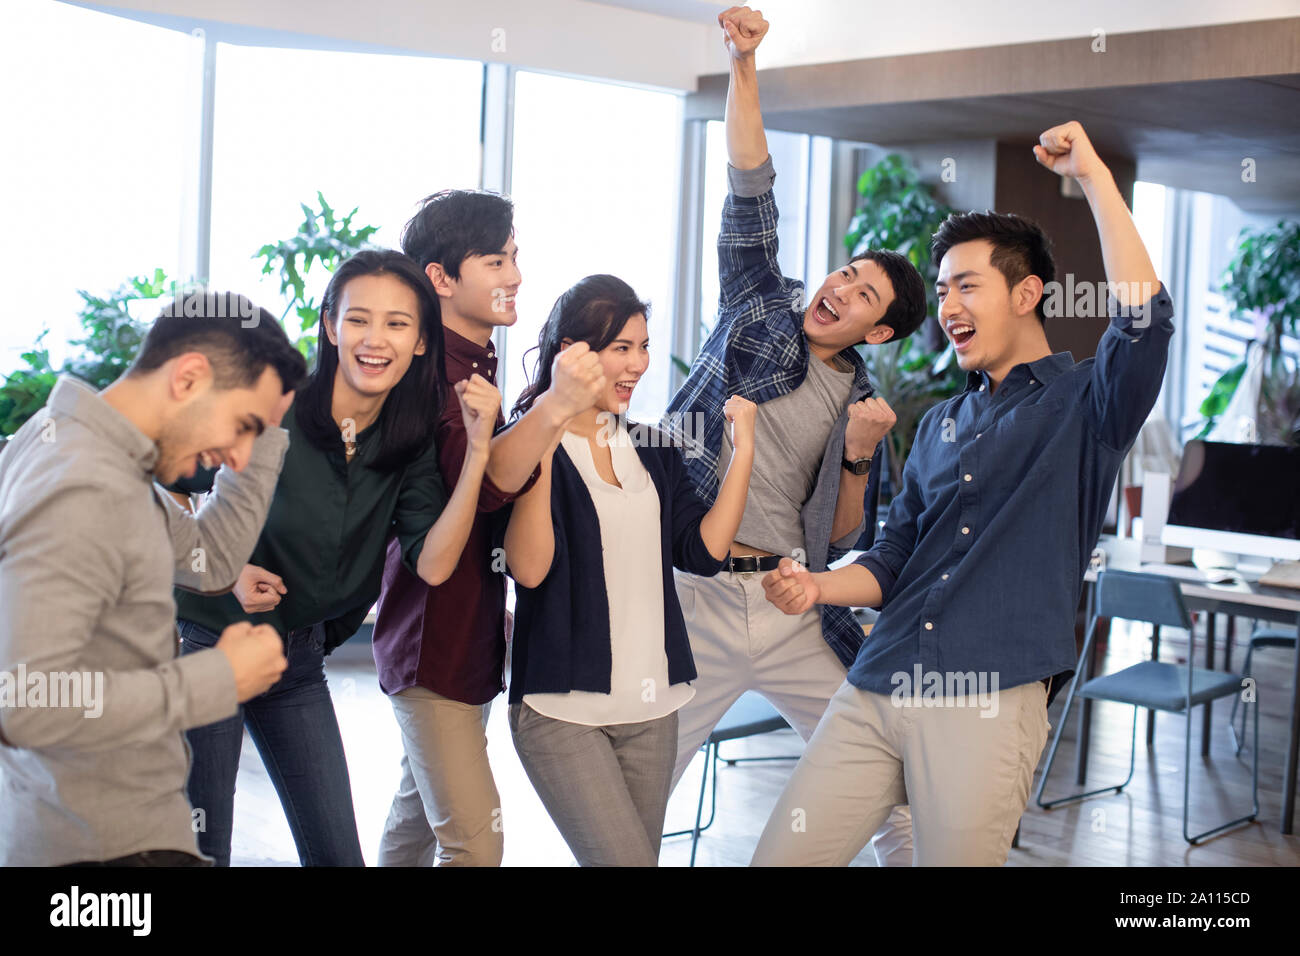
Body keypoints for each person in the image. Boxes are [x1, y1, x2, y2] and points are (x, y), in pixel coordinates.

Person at [756, 120, 1174, 866]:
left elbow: (1144, 320)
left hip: (988, 699)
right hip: (876, 682)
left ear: (1027, 293)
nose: (948, 306)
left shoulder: (1088, 404)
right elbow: (893, 557)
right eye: (942, 289)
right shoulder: (946, 420)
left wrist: (1094, 179)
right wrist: (817, 586)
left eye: (967, 286)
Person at [662, 5, 923, 863]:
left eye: (864, 297)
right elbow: (750, 184)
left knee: (888, 781)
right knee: (641, 775)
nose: (841, 290)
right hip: (694, 590)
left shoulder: (866, 407)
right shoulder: (762, 306)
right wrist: (744, 65)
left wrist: (857, 454)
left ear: (878, 334)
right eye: (846, 274)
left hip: (787, 605)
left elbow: (848, 538)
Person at [173, 249, 500, 866]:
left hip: (295, 659)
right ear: (330, 326)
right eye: (359, 320)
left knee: (337, 858)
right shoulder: (267, 404)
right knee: (203, 850)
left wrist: (479, 453)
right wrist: (220, 568)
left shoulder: (409, 440)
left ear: (423, 341)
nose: (376, 340)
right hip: (207, 644)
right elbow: (144, 490)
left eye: (398, 324)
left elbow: (432, 563)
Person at [0, 290, 306, 866]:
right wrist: (215, 678)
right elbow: (25, 702)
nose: (240, 457)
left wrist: (264, 429)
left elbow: (209, 561)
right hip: (103, 856)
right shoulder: (83, 483)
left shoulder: (99, 459)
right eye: (243, 425)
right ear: (189, 377)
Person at [373, 190, 606, 867]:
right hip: (431, 644)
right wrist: (558, 404)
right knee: (475, 844)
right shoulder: (429, 372)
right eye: (495, 260)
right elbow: (485, 485)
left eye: (514, 258)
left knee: (415, 822)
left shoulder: (475, 363)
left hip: (465, 639)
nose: (515, 276)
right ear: (440, 279)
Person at [502, 275, 756, 866]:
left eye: (643, 347)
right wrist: (546, 425)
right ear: (572, 354)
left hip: (654, 707)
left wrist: (742, 452)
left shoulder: (653, 447)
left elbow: (702, 552)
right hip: (562, 710)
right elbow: (529, 569)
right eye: (622, 348)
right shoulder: (522, 445)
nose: (638, 364)